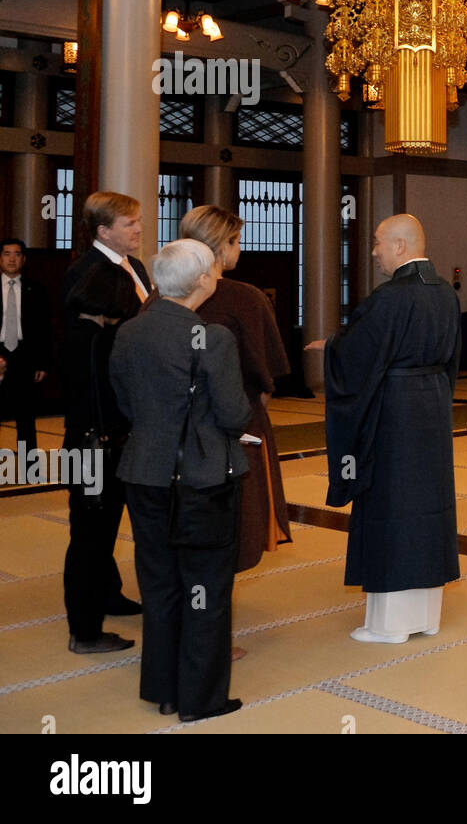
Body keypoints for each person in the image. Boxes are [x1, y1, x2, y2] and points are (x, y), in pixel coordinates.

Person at [111, 239, 250, 721]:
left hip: (144, 471)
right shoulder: (210, 337)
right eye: (213, 270)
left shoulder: (129, 332)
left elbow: (124, 401)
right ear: (201, 281)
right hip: (203, 478)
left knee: (160, 585)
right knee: (206, 588)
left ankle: (164, 689)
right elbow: (234, 414)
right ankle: (201, 699)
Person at [306, 214, 460, 644]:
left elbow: (360, 354)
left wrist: (331, 348)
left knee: (391, 502)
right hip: (431, 405)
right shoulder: (445, 293)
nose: (373, 252)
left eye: (377, 243)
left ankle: (390, 625)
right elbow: (452, 361)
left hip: (393, 412)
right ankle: (426, 616)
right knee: (428, 504)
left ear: (399, 245)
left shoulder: (390, 297)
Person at [180, 206, 293, 576]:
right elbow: (266, 374)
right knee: (236, 519)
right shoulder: (245, 297)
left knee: (187, 519)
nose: (239, 249)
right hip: (236, 422)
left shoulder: (162, 296)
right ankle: (211, 615)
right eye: (236, 241)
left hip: (177, 426)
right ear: (221, 246)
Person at [61, 264, 141, 653]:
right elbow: (118, 401)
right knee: (94, 544)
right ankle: (87, 632)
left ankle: (91, 616)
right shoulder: (103, 341)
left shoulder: (68, 332)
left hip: (77, 444)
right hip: (102, 451)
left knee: (85, 540)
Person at [63, 192, 152, 320]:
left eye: (139, 220)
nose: (139, 229)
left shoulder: (136, 264)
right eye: (130, 224)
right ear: (104, 232)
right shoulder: (84, 270)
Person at [0, 237, 52, 457]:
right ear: (0, 258)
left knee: (26, 416)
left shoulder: (36, 289)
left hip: (25, 356)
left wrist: (42, 362)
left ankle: (28, 467)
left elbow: (44, 329)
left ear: (24, 259)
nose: (12, 259)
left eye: (17, 254)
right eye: (7, 254)